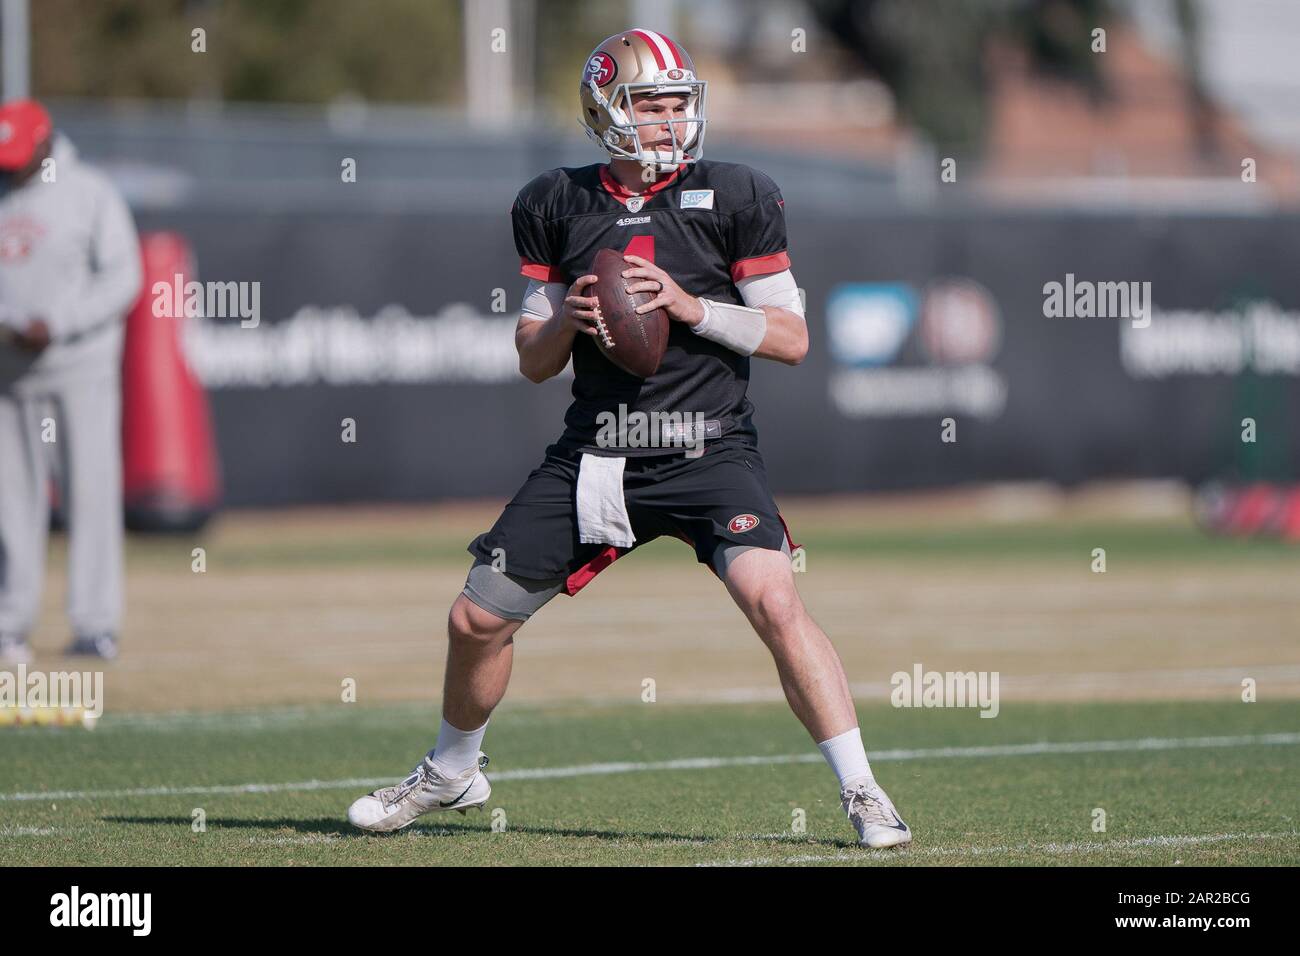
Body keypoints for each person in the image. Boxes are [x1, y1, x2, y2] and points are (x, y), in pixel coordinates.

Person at [348, 29, 911, 849]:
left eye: (680, 103)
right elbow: (533, 360)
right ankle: (452, 772)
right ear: (606, 110)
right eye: (652, 104)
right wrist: (567, 325)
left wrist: (691, 308)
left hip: (709, 446)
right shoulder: (553, 201)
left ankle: (862, 790)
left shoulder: (739, 192)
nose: (670, 120)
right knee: (475, 621)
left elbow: (791, 338)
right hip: (598, 452)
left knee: (775, 599)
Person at [0, 99, 142, 663]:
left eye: (19, 155)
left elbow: (123, 279)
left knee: (90, 493)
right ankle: (9, 622)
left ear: (45, 143)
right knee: (9, 502)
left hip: (79, 370)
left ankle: (95, 623)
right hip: (8, 375)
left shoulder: (89, 192)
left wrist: (57, 324)